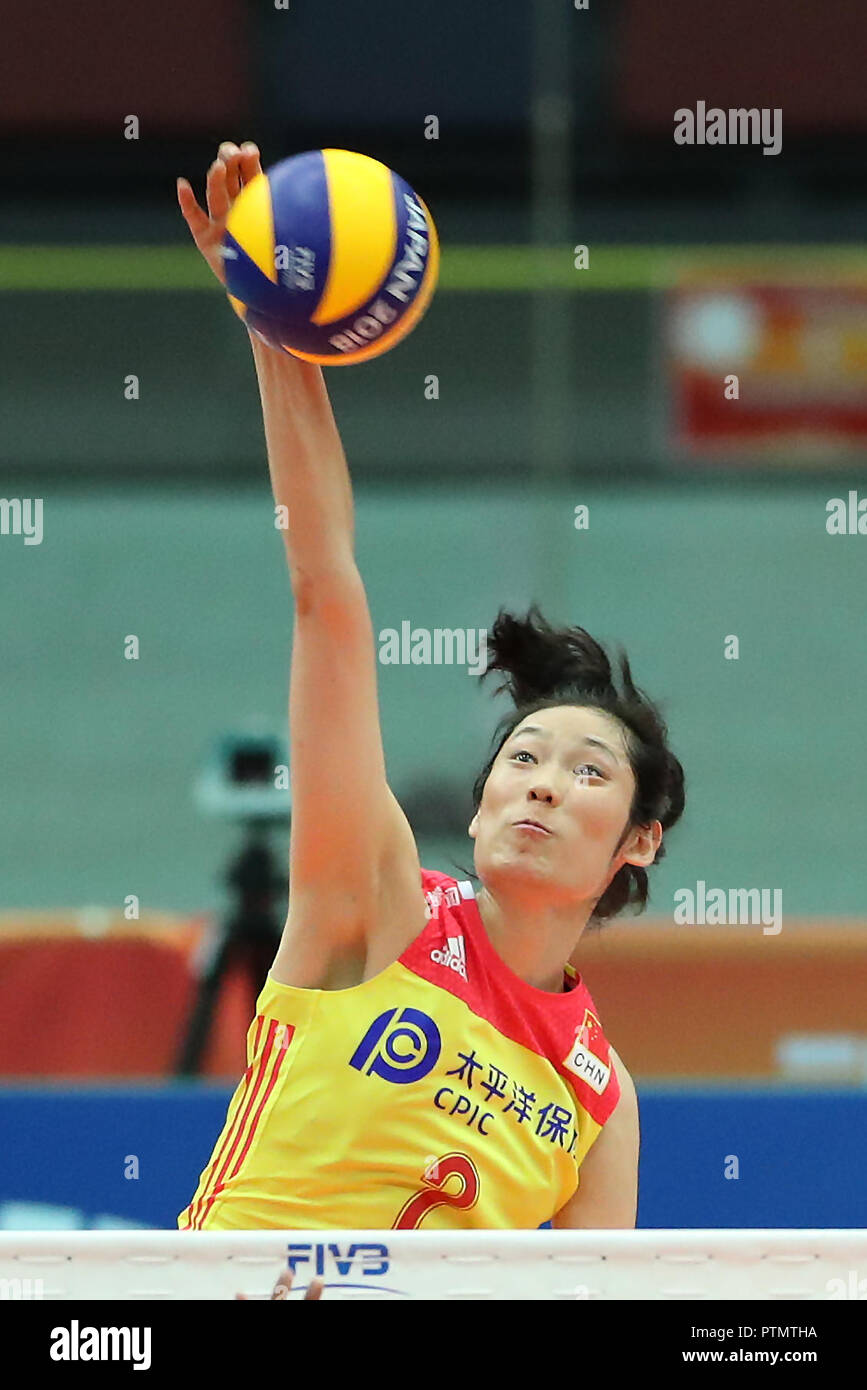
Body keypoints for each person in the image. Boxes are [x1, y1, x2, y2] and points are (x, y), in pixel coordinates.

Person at [176, 142, 686, 1245]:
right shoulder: (379, 897)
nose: (542, 787)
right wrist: (275, 330)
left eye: (587, 772)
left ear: (639, 841)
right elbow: (326, 589)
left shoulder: (600, 1096)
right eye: (524, 759)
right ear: (483, 795)